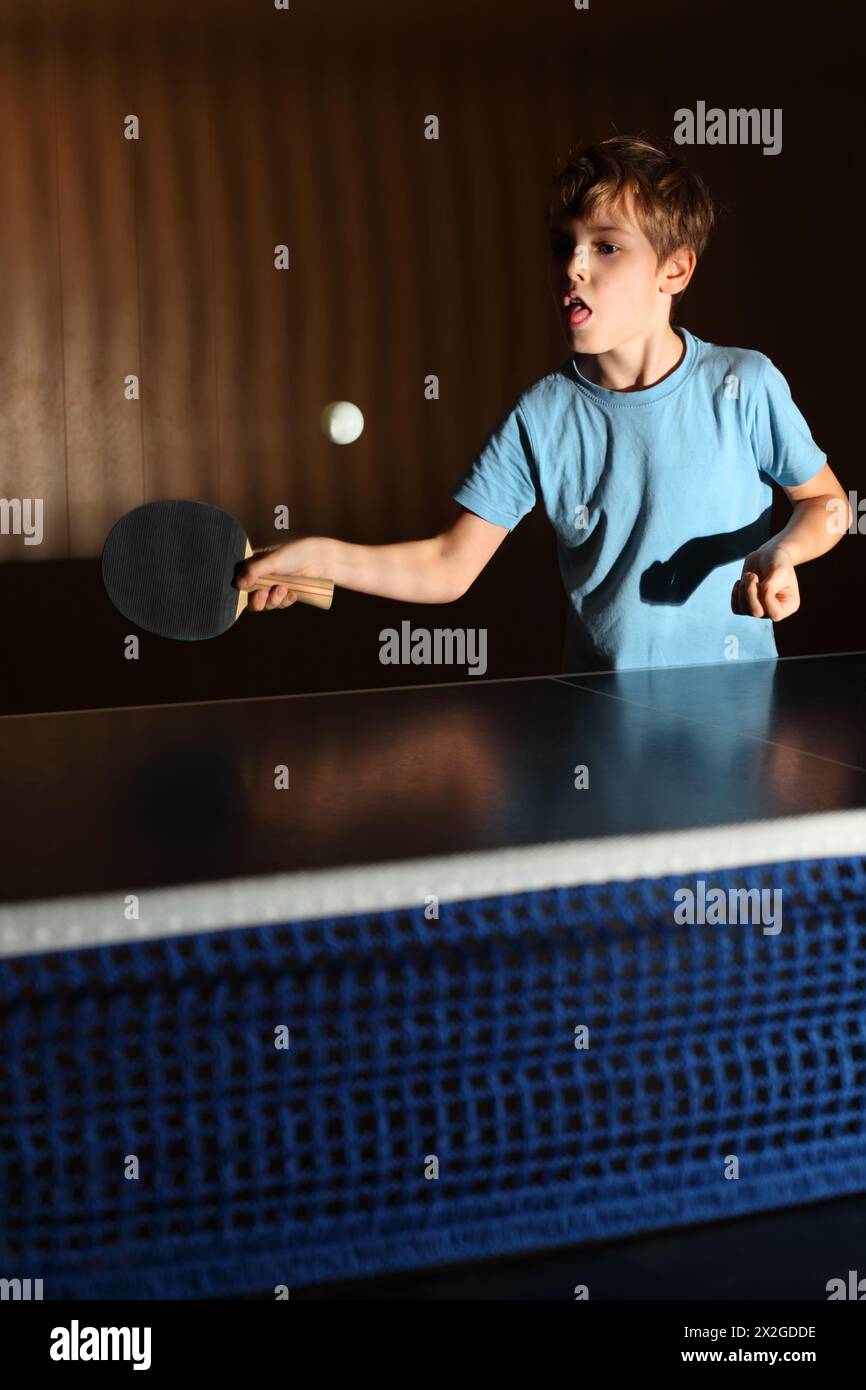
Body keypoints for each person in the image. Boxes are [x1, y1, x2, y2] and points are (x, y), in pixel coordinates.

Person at [237, 134, 849, 673]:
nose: (573, 268)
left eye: (606, 247)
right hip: (606, 726)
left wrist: (779, 552)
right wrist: (322, 556)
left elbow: (827, 503)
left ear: (675, 270)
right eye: (563, 245)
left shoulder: (744, 383)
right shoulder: (541, 416)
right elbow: (450, 565)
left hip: (737, 716)